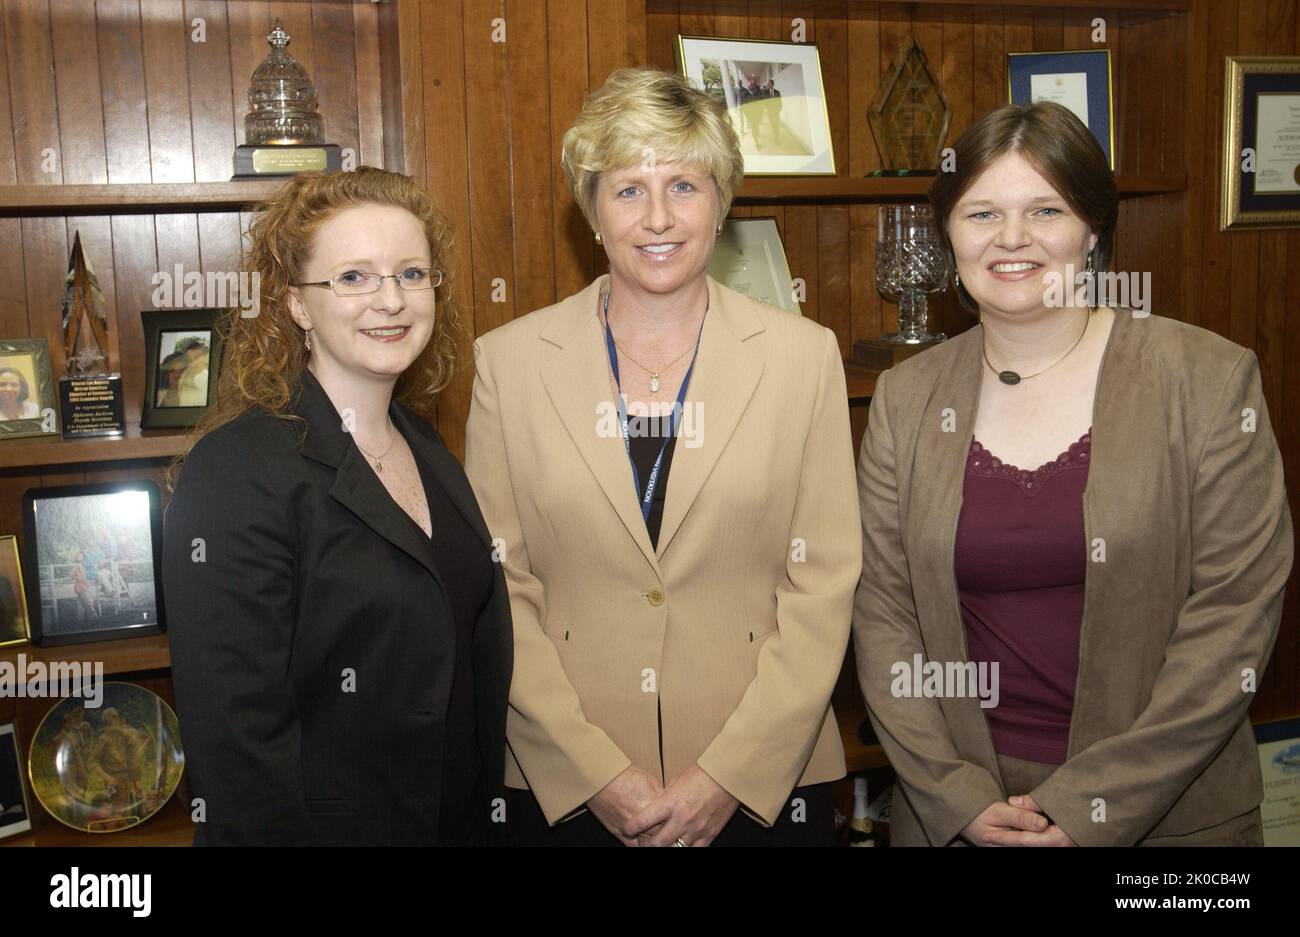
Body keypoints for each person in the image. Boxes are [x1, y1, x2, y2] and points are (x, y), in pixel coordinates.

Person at [853, 101, 1293, 846]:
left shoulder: (1208, 381)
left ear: (1092, 229)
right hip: (960, 812)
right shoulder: (906, 396)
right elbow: (882, 616)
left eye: (1045, 210)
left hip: (1167, 814)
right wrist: (956, 796)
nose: (1012, 239)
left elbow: (1233, 620)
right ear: (949, 234)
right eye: (982, 212)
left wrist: (1092, 804)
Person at [465, 67, 860, 847]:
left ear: (721, 205)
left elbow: (824, 582)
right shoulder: (507, 364)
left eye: (684, 185)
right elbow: (499, 587)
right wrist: (595, 774)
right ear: (591, 210)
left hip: (764, 787)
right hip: (567, 788)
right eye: (627, 189)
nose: (657, 217)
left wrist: (728, 776)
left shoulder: (804, 357)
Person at [163, 166, 512, 845]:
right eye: (353, 277)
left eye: (411, 273)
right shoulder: (237, 470)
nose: (391, 300)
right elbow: (238, 755)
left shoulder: (428, 448)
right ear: (297, 303)